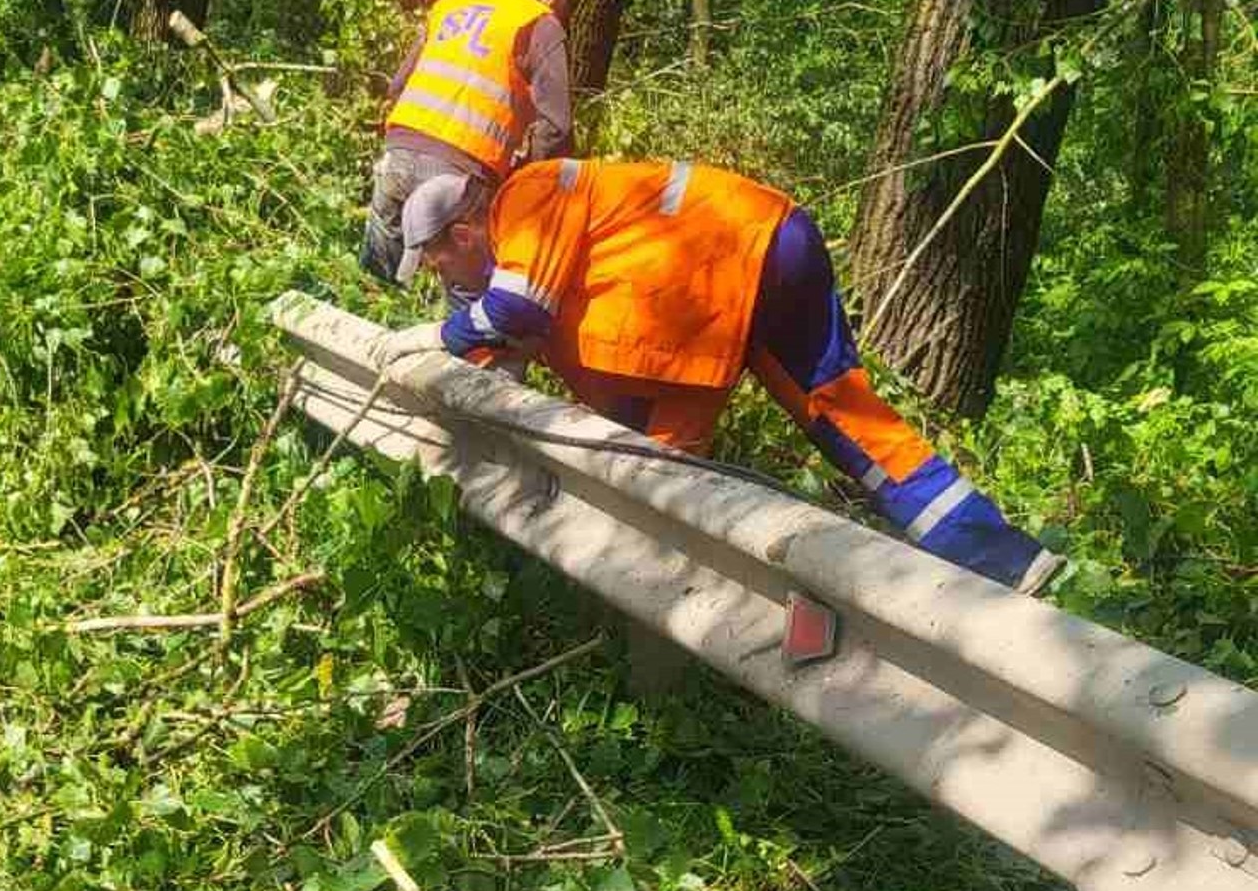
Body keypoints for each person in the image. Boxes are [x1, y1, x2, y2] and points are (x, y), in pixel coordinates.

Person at [376, 160, 1064, 595]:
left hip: (726, 273)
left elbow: (515, 310)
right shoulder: (528, 233)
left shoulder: (526, 198)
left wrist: (430, 338)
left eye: (439, 266)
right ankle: (999, 557)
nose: (446, 282)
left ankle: (679, 607)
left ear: (463, 233)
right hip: (740, 269)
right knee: (838, 417)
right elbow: (514, 331)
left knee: (653, 469)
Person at [361, 0, 576, 291]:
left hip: (400, 149)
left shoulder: (453, 4)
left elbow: (398, 86)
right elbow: (556, 128)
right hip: (461, 170)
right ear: (559, 3)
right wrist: (527, 180)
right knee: (466, 291)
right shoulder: (541, 23)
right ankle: (453, 341)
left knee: (378, 277)